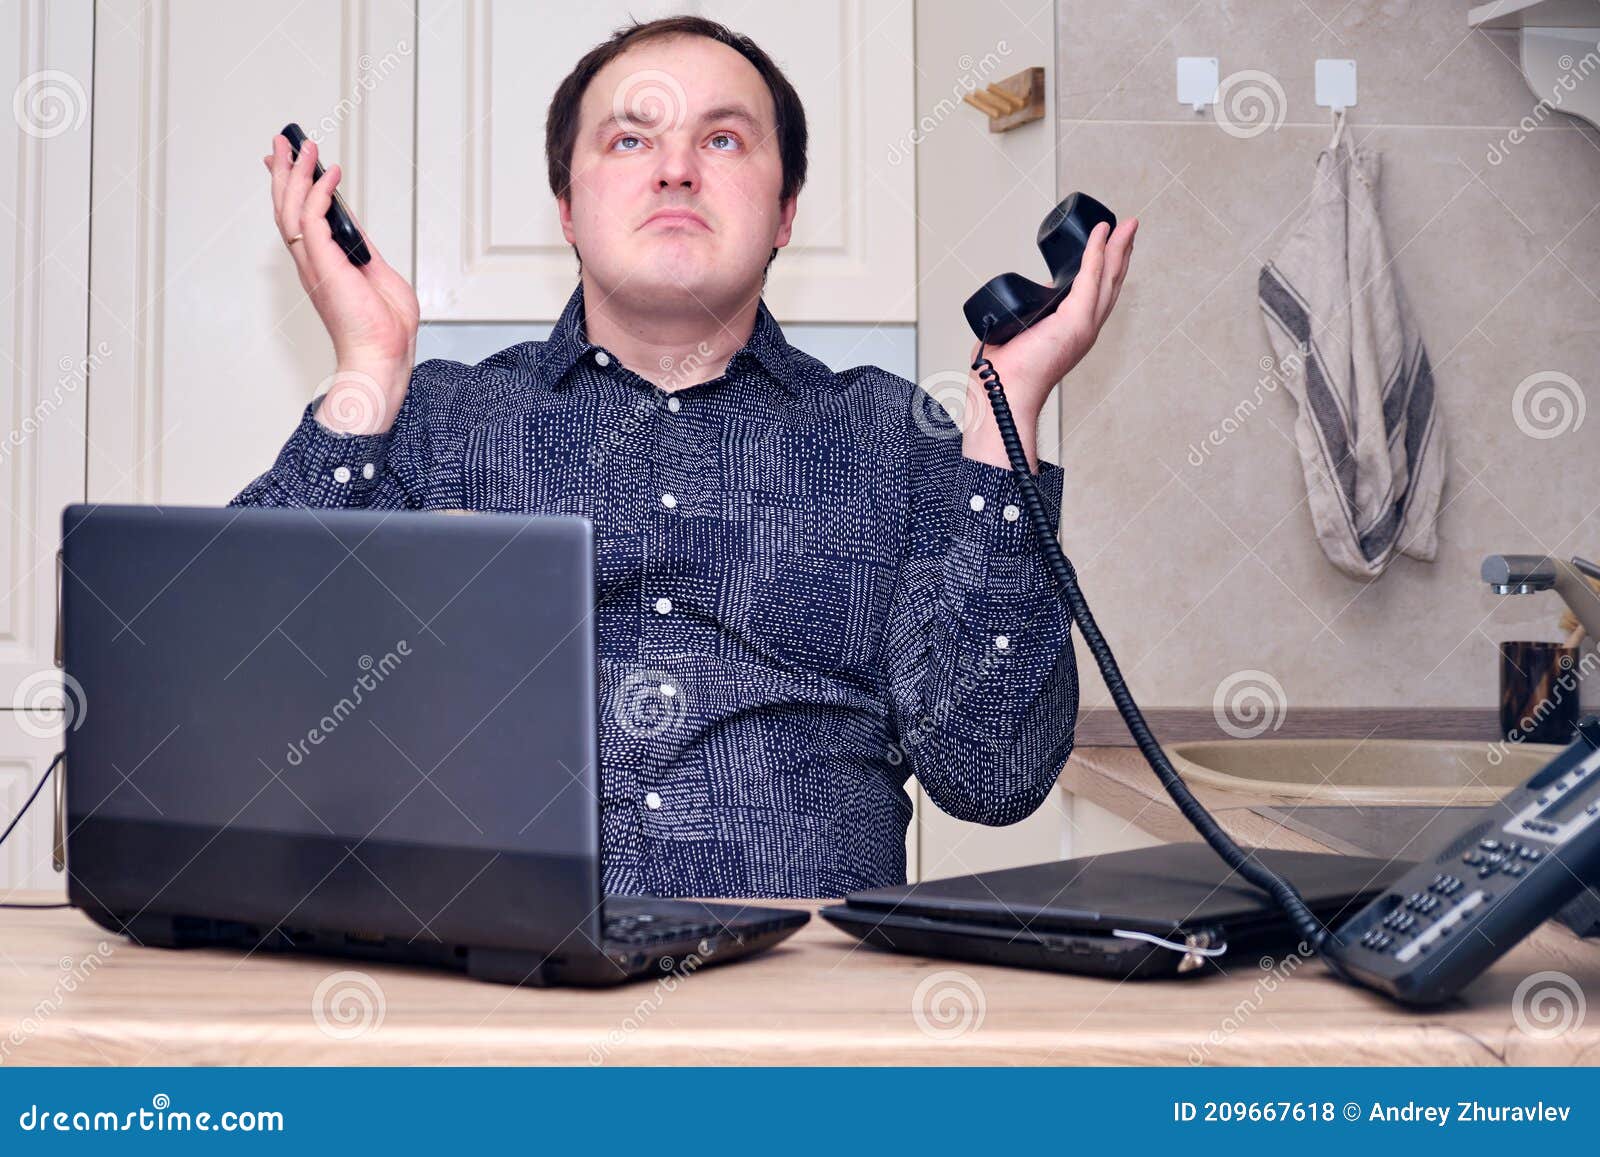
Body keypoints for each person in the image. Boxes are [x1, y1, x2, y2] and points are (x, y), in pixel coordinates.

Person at [236, 14, 1137, 899]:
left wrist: (1003, 421)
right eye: (630, 141)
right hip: (486, 989)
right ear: (567, 211)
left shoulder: (898, 436)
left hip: (804, 1014)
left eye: (725, 140)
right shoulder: (434, 416)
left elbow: (994, 773)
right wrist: (366, 370)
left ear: (785, 213)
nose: (675, 169)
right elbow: (240, 690)